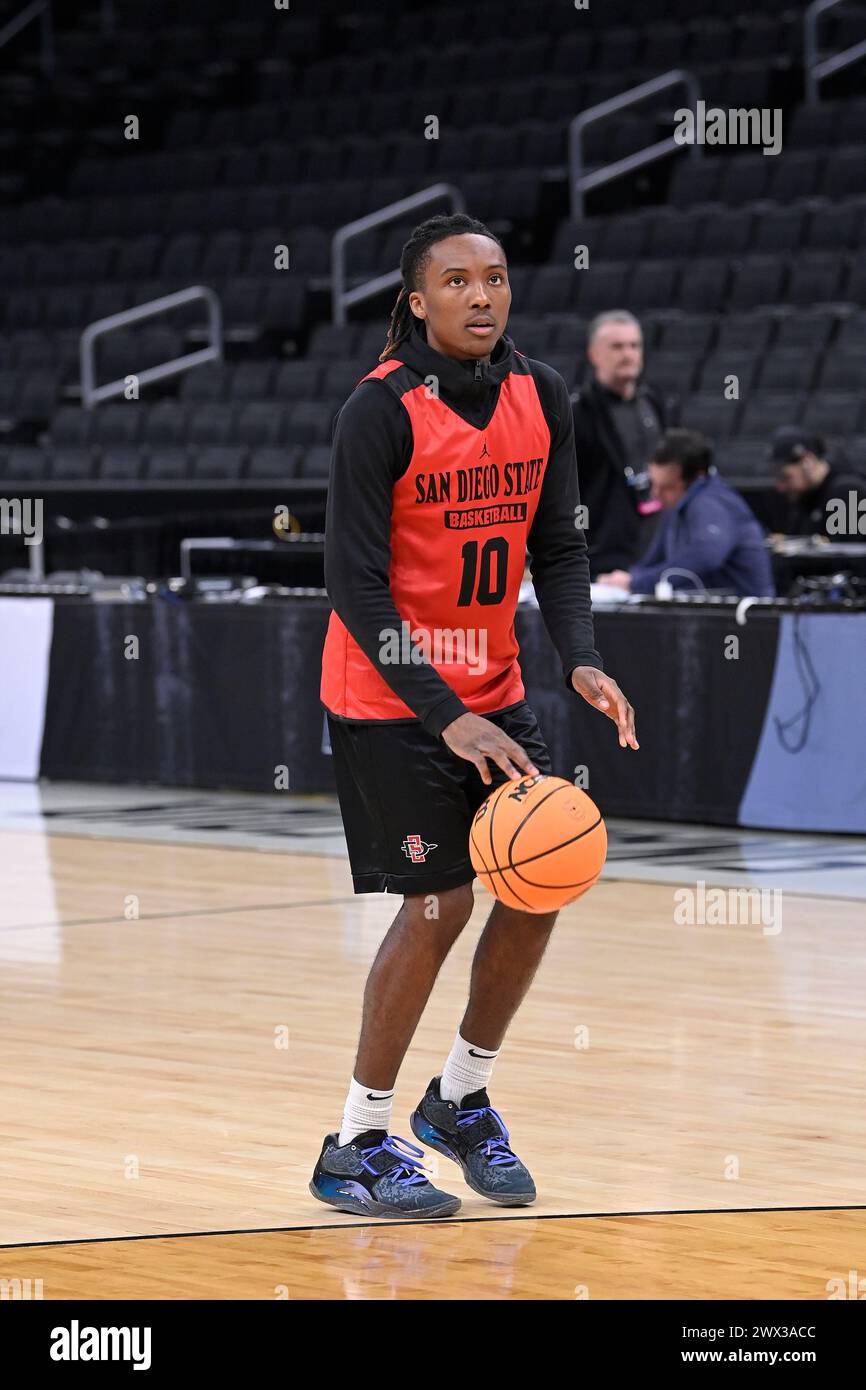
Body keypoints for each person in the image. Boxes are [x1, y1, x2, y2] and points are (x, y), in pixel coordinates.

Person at [312, 212, 638, 1219]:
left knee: (545, 875)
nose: (480, 295)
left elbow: (560, 546)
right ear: (416, 301)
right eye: (454, 281)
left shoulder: (541, 394)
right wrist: (445, 715)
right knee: (437, 903)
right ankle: (357, 1138)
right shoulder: (379, 410)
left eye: (492, 278)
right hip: (387, 695)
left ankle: (458, 1097)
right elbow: (355, 588)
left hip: (492, 690)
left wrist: (578, 656)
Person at [596, 428, 775, 597]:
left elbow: (706, 555)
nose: (655, 494)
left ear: (696, 479)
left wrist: (636, 582)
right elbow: (653, 561)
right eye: (654, 484)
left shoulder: (712, 502)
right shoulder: (674, 506)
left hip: (746, 617)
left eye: (666, 487)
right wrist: (623, 580)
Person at [570, 309, 670, 577]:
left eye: (634, 345)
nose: (628, 354)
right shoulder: (577, 413)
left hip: (653, 544)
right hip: (601, 551)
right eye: (617, 347)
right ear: (594, 354)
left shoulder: (654, 401)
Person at [771, 427, 866, 541]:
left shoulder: (848, 491)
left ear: (808, 461)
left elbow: (847, 554)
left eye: (785, 477)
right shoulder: (805, 495)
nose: (780, 487)